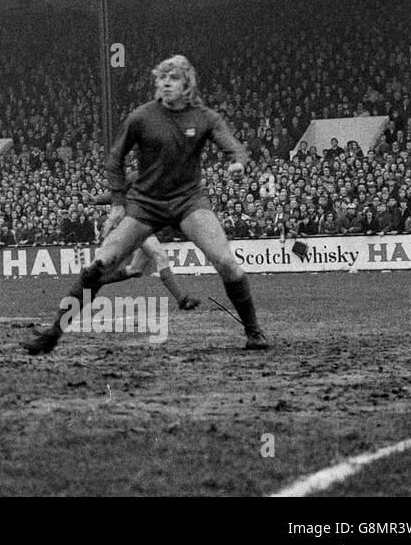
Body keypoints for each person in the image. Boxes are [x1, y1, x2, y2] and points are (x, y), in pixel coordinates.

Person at [23, 55, 269, 354]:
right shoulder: (142, 117)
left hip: (188, 201)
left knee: (227, 263)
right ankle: (52, 335)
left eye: (173, 78)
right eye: (161, 78)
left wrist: (238, 163)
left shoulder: (205, 117)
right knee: (98, 267)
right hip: (146, 203)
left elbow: (234, 146)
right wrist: (116, 203)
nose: (166, 83)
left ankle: (254, 333)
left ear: (187, 83)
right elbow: (115, 159)